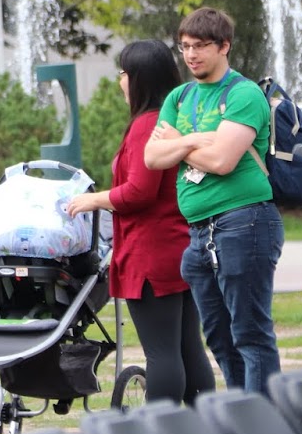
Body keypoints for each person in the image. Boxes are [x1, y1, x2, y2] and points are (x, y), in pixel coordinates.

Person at [66, 41, 216, 405]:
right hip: (182, 246)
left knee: (162, 353)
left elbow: (138, 193)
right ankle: (206, 428)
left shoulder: (145, 126)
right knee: (188, 347)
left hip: (151, 253)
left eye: (122, 73)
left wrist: (93, 200)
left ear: (138, 79)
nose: (120, 81)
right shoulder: (175, 120)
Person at [144, 7, 284, 394]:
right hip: (198, 233)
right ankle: (239, 422)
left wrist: (175, 143)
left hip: (244, 223)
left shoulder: (243, 94)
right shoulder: (180, 96)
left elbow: (222, 161)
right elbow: (152, 158)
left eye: (201, 46)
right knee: (220, 338)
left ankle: (265, 426)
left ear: (225, 46)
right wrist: (192, 141)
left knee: (250, 335)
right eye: (185, 47)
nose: (191, 55)